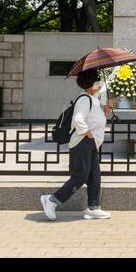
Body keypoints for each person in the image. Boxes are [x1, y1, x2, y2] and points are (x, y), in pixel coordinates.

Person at [40, 69, 112, 220]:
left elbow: (95, 120)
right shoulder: (85, 99)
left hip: (90, 143)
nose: (99, 84)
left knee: (94, 177)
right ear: (91, 83)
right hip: (82, 142)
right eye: (97, 80)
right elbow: (78, 119)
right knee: (80, 175)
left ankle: (93, 207)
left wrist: (106, 111)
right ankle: (51, 200)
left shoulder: (93, 99)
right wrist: (87, 132)